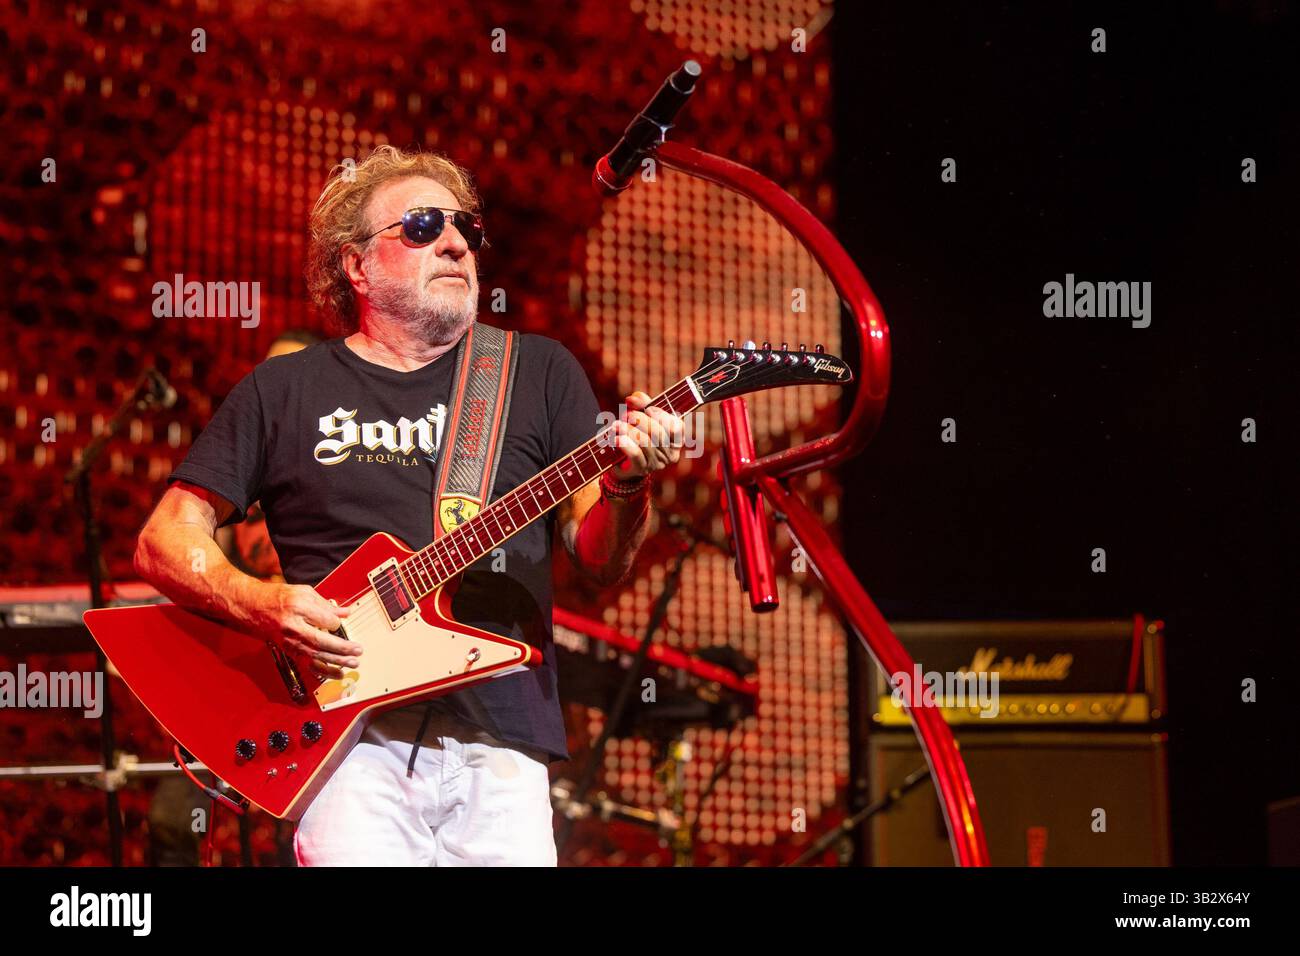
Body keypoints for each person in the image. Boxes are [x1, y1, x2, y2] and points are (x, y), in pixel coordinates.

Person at [133, 145, 686, 865]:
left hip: (505, 739)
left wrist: (627, 486)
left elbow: (598, 554)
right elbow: (166, 540)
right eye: (423, 226)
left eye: (466, 229)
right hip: (344, 744)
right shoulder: (285, 389)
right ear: (356, 264)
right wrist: (257, 602)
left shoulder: (537, 372)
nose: (456, 242)